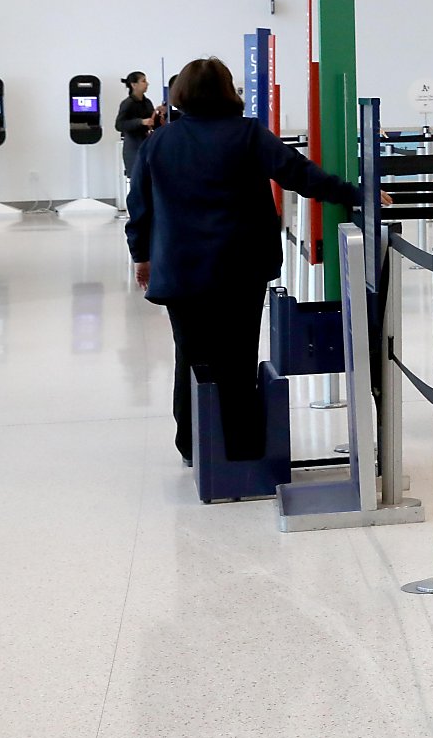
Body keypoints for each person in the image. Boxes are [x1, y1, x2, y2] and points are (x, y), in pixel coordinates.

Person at [127, 57, 368, 465]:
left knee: (191, 355)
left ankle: (193, 445)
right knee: (238, 357)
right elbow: (298, 173)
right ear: (227, 91)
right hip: (240, 268)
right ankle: (239, 447)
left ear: (181, 93)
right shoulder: (248, 134)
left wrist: (142, 257)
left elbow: (140, 206)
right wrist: (353, 193)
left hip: (181, 268)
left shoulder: (159, 142)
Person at [116, 71, 158, 177]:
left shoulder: (147, 102)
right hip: (133, 147)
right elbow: (119, 124)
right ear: (134, 85)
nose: (147, 84)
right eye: (143, 81)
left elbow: (152, 122)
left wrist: (158, 115)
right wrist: (140, 122)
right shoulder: (127, 103)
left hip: (147, 145)